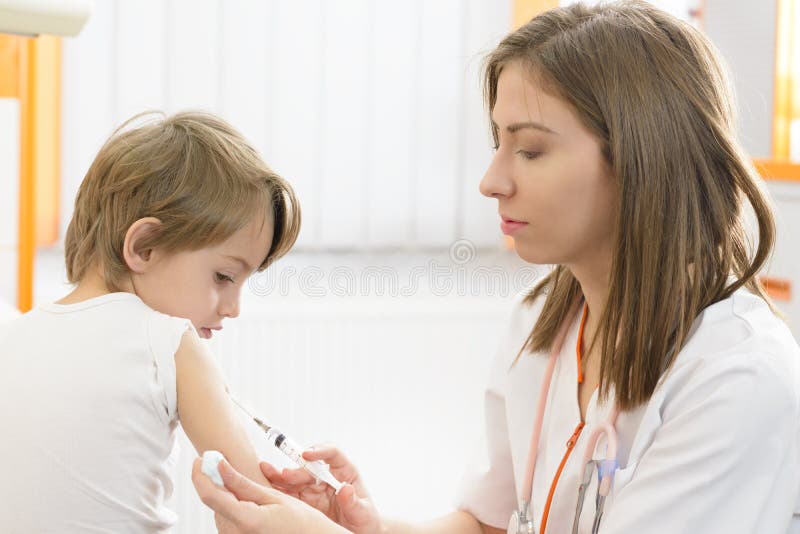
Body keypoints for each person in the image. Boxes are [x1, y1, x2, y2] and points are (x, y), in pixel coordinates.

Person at [192, 1, 800, 532]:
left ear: (643, 159)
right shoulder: (543, 324)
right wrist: (369, 530)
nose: (491, 181)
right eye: (497, 142)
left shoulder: (734, 377)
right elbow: (488, 525)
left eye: (530, 149)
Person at [0, 111, 300, 532]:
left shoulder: (11, 337)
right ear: (144, 246)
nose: (234, 307)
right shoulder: (169, 343)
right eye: (224, 277)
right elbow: (256, 511)